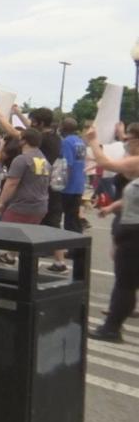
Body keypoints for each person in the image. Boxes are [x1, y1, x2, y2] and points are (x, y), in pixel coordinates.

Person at [85, 123, 139, 342]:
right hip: (130, 229)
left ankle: (111, 328)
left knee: (125, 284)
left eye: (129, 140)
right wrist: (111, 207)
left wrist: (92, 141)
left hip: (135, 233)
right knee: (127, 282)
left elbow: (106, 163)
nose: (126, 143)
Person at [0, 128, 51, 264]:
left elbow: (11, 184)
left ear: (24, 141)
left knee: (4, 232)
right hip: (40, 204)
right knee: (26, 236)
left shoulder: (22, 159)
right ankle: (11, 257)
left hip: (22, 204)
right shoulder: (44, 159)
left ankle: (16, 264)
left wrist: (1, 203)